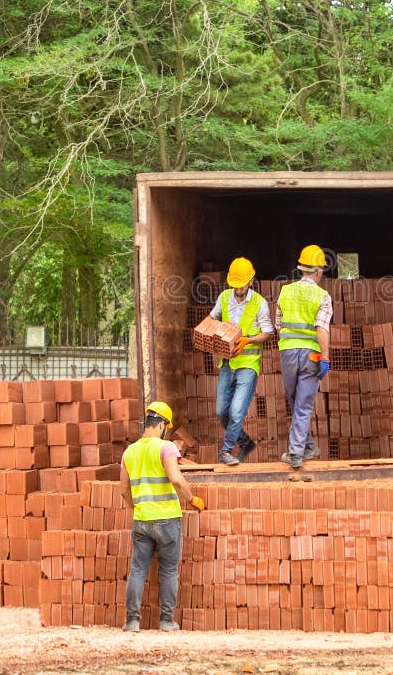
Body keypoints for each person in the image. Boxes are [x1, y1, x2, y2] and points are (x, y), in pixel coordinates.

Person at [120, 401, 204, 632]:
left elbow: (124, 490)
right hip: (167, 519)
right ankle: (166, 622)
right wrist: (192, 500)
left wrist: (137, 508)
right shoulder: (165, 448)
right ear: (162, 425)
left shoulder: (129, 452)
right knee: (168, 570)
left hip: (142, 520)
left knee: (138, 570)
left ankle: (132, 622)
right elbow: (176, 479)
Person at [209, 257, 274, 465]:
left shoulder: (260, 303)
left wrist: (248, 340)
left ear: (251, 281)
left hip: (248, 365)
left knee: (237, 411)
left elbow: (268, 332)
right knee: (222, 411)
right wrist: (216, 331)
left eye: (242, 285)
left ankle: (226, 451)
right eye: (235, 285)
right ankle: (245, 443)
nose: (238, 289)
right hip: (227, 363)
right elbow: (212, 319)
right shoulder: (224, 297)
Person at [276, 245, 332, 468]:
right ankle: (297, 453)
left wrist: (289, 346)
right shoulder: (322, 296)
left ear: (301, 269)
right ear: (318, 271)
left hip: (288, 352)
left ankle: (307, 446)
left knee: (295, 400)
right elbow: (322, 328)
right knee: (303, 403)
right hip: (311, 355)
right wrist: (325, 357)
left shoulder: (285, 291)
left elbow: (279, 324)